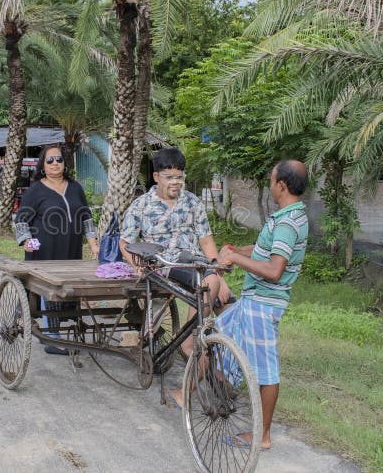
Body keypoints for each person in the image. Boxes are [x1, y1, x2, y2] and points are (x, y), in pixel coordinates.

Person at [215, 159, 309, 451]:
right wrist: (235, 249)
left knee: (266, 372)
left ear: (281, 185)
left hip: (264, 304)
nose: (270, 185)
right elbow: (262, 252)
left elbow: (273, 269)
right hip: (252, 300)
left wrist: (234, 260)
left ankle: (262, 436)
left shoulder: (287, 223)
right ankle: (215, 393)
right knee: (217, 333)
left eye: (271, 180)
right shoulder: (287, 216)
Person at [119, 147, 233, 375]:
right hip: (165, 264)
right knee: (210, 286)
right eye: (169, 177)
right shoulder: (141, 205)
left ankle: (223, 374)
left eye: (179, 177)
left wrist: (219, 274)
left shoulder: (193, 203)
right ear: (156, 177)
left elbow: (207, 241)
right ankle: (190, 341)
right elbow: (125, 244)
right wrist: (137, 264)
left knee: (229, 307)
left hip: (197, 263)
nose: (175, 182)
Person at [14, 144, 100, 355]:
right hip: (44, 251)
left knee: (66, 290)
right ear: (43, 165)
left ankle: (44, 323)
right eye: (50, 160)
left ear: (65, 163)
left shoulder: (75, 187)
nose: (55, 164)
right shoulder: (35, 190)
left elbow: (86, 217)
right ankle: (52, 338)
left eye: (59, 159)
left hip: (70, 251)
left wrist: (93, 244)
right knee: (48, 290)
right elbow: (21, 219)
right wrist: (26, 241)